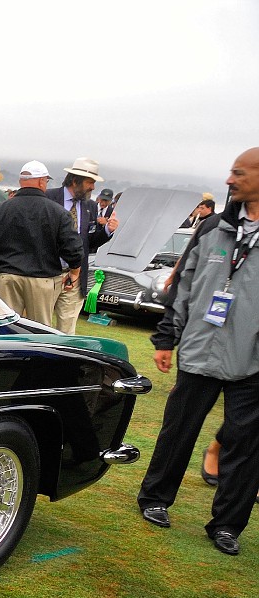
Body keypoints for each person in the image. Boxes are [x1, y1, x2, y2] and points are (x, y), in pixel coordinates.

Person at [137, 148, 259, 556]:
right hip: (200, 350)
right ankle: (154, 498)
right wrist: (167, 338)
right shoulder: (212, 228)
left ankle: (227, 525)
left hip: (253, 363)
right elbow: (182, 286)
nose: (229, 179)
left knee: (246, 446)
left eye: (239, 173)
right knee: (179, 430)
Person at [0, 161, 83, 328]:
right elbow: (72, 246)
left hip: (7, 277)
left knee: (4, 328)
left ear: (21, 182)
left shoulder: (1, 209)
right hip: (42, 280)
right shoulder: (58, 212)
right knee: (38, 330)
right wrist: (75, 270)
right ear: (41, 181)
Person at [45, 157, 117, 334]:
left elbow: (88, 243)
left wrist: (107, 231)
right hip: (46, 275)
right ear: (75, 180)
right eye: (89, 182)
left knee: (67, 331)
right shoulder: (48, 198)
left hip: (75, 279)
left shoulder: (90, 206)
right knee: (41, 327)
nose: (93, 187)